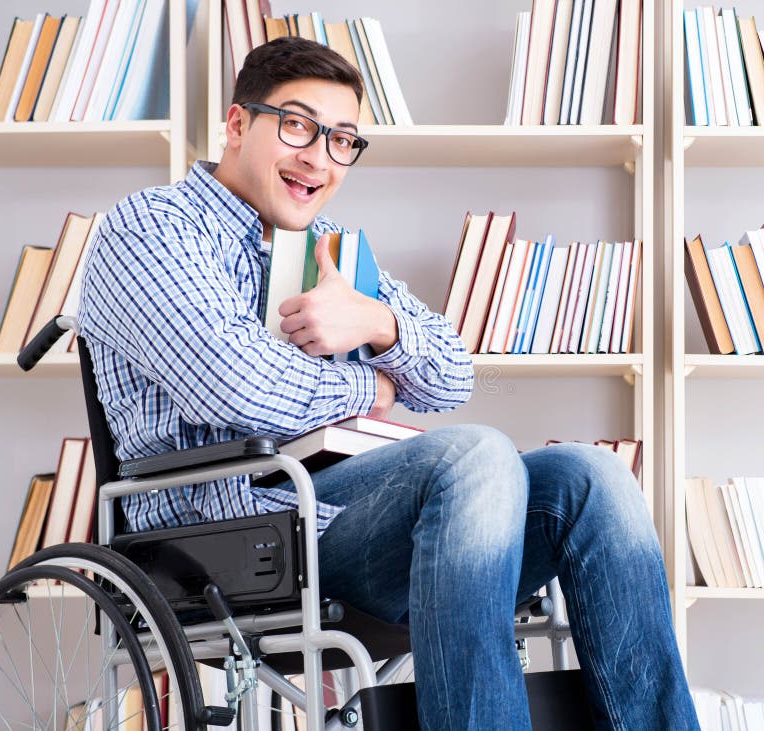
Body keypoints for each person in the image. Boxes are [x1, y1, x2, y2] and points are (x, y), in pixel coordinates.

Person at [79, 36, 698, 730]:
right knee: (473, 455)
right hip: (225, 532)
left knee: (592, 475)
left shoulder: (330, 249)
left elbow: (453, 374)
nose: (319, 158)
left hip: (338, 513)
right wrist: (367, 389)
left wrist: (378, 323)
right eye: (297, 126)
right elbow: (237, 385)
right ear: (236, 124)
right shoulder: (152, 229)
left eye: (342, 140)